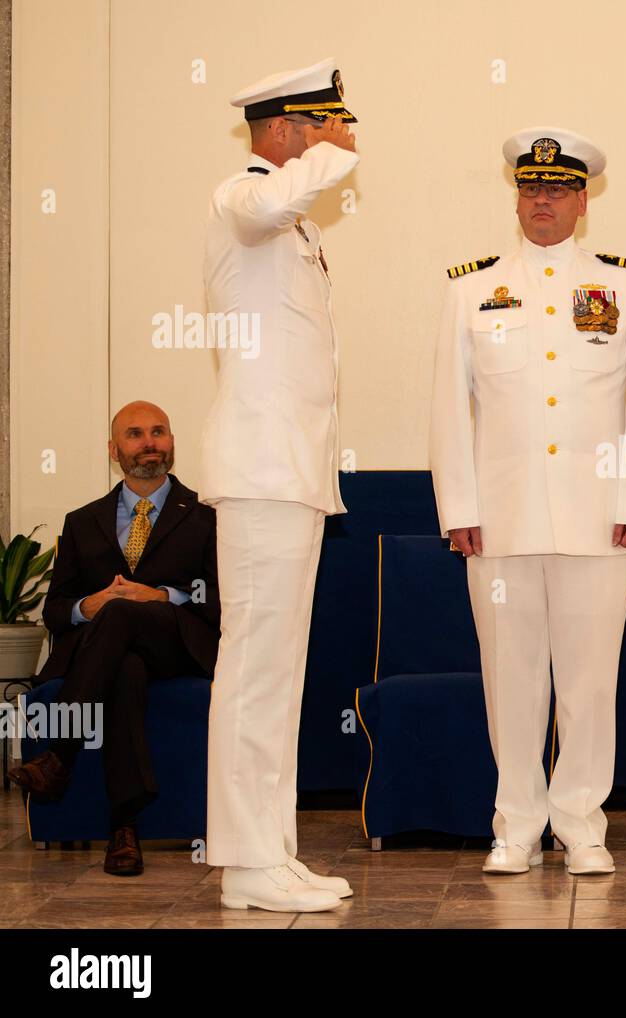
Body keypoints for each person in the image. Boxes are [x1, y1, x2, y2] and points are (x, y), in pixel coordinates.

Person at [431, 127, 626, 875]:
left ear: (583, 200)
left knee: (590, 682)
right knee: (511, 679)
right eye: (531, 187)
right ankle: (516, 826)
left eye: (559, 188)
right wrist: (458, 508)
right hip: (499, 521)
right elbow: (448, 408)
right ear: (516, 198)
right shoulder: (471, 289)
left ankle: (582, 825)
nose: (544, 199)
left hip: (601, 518)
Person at [199, 57, 358, 912]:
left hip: (291, 472)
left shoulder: (297, 229)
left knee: (278, 673)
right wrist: (329, 156)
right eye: (330, 123)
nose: (345, 137)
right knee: (255, 668)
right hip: (260, 470)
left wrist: (323, 152)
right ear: (289, 128)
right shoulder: (244, 197)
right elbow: (265, 204)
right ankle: (246, 861)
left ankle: (272, 852)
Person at [9, 402, 219, 877]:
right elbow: (56, 611)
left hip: (179, 644)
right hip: (110, 652)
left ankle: (58, 754)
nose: (149, 443)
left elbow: (220, 599)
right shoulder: (82, 521)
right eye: (135, 434)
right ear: (113, 450)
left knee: (125, 613)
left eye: (158, 431)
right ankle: (123, 829)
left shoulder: (206, 515)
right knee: (125, 666)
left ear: (172, 442)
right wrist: (90, 606)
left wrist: (159, 596)